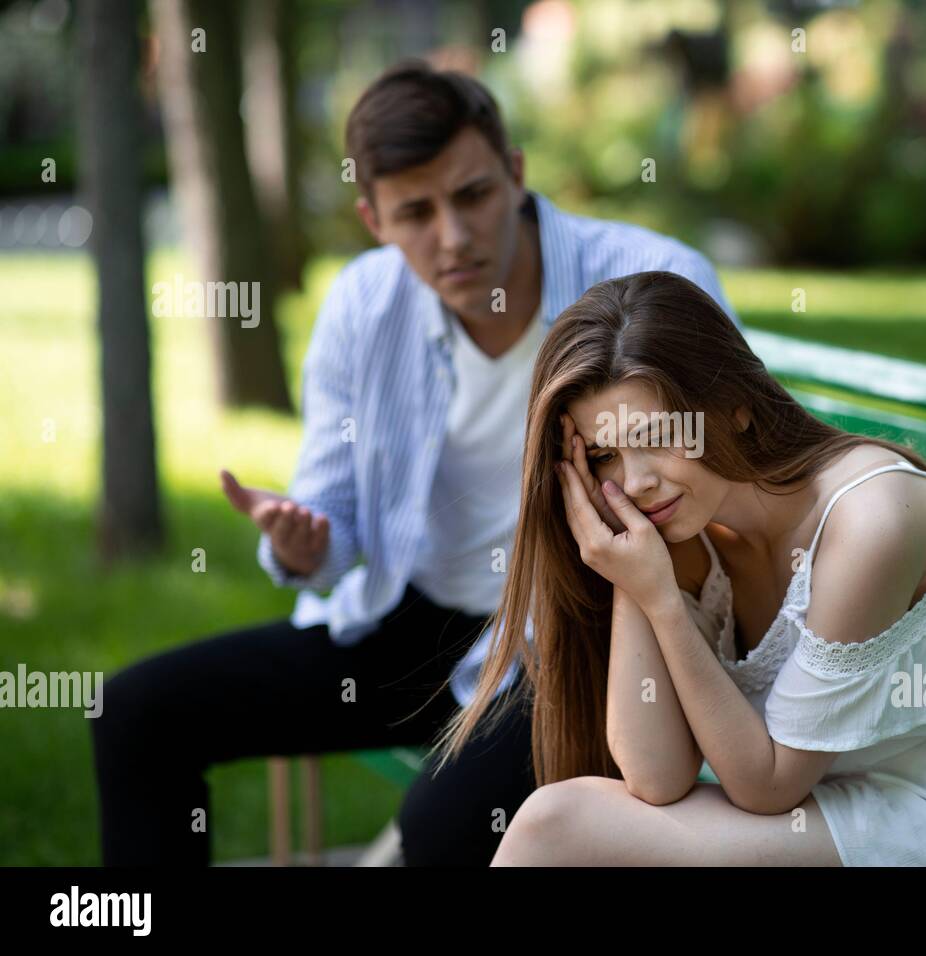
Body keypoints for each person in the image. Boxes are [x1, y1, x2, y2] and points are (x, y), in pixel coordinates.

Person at [89, 62, 738, 866]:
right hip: (413, 626)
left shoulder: (655, 280)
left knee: (443, 824)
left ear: (515, 172)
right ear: (374, 219)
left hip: (580, 639)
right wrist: (304, 543)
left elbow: (721, 486)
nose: (453, 238)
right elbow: (332, 524)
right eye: (416, 213)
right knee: (135, 711)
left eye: (471, 196)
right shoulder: (363, 305)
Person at [433, 270, 926, 866]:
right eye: (602, 456)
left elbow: (768, 785)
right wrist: (633, 573)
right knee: (564, 829)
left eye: (656, 436)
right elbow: (655, 776)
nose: (637, 481)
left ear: (735, 404)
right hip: (829, 811)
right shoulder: (682, 523)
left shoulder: (871, 521)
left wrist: (658, 598)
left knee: (556, 827)